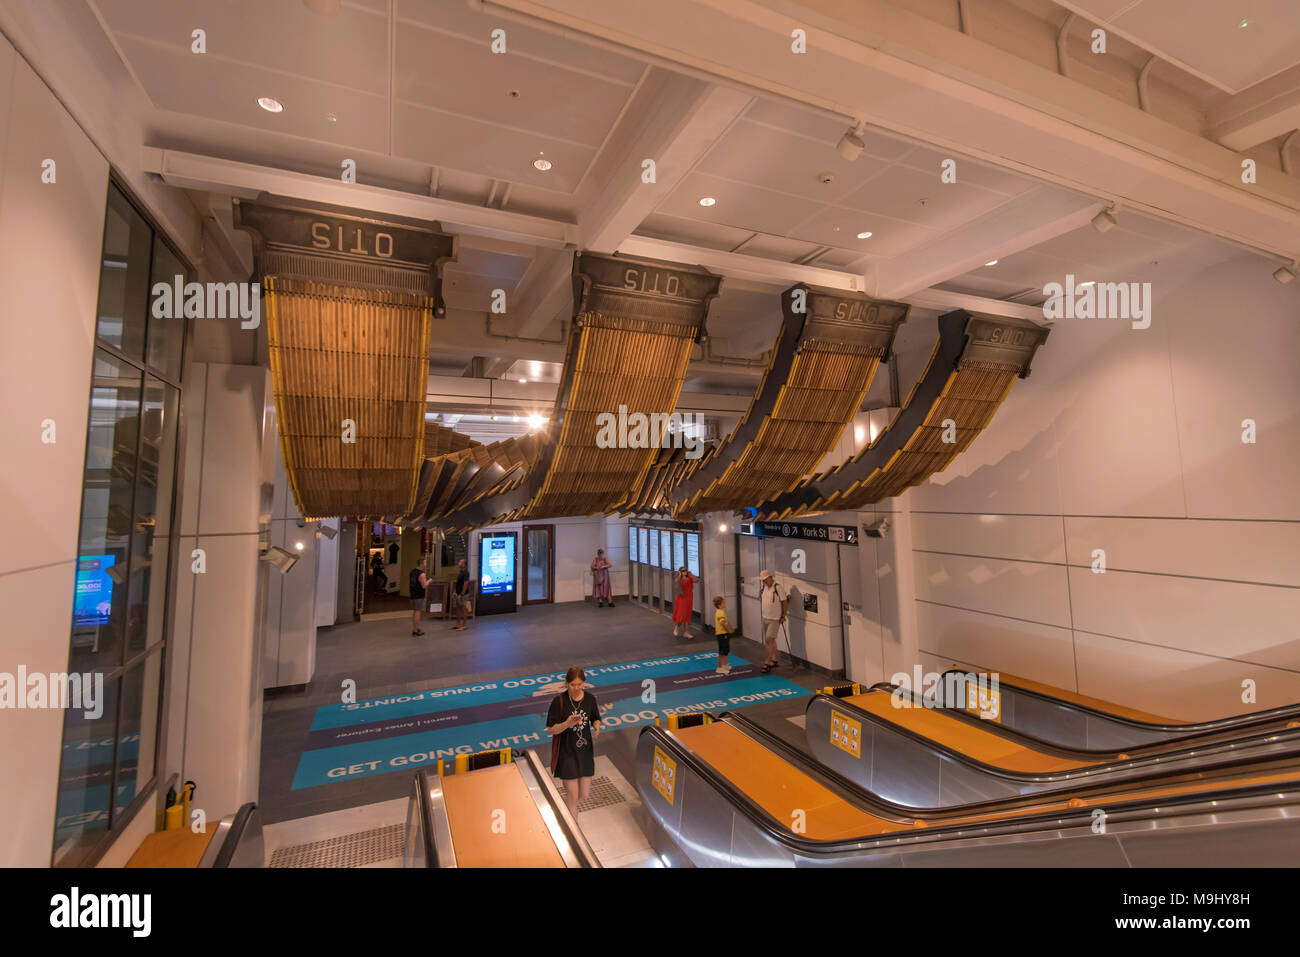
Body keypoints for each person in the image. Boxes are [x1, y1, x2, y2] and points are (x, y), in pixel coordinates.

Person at [545, 666, 600, 816]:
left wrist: (597, 727)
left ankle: (560, 807)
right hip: (567, 754)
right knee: (573, 798)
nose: (576, 688)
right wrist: (567, 724)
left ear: (584, 683)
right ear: (566, 683)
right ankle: (573, 831)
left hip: (585, 753)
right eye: (572, 685)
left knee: (584, 795)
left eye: (579, 684)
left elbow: (595, 717)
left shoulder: (590, 699)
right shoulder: (559, 702)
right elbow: (551, 729)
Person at [758, 569, 788, 674]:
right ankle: (774, 659)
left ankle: (767, 662)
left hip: (775, 619)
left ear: (770, 578)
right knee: (771, 640)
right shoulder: (765, 587)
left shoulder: (778, 588)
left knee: (768, 640)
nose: (764, 582)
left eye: (765, 580)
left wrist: (783, 616)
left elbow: (784, 602)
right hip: (765, 617)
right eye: (763, 580)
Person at [671, 566, 697, 638]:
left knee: (687, 615)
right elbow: (676, 582)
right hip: (682, 598)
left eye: (685, 570)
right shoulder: (679, 579)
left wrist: (691, 575)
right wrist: (679, 575)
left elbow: (696, 580)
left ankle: (686, 632)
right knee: (681, 614)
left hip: (689, 598)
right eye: (682, 571)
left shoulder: (689, 578)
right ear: (680, 572)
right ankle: (677, 627)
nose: (685, 571)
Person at [713, 595, 734, 675]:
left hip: (724, 634)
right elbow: (722, 623)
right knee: (722, 651)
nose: (725, 604)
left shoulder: (721, 612)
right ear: (719, 605)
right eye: (723, 603)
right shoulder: (720, 612)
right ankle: (719, 667)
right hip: (722, 634)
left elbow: (725, 622)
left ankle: (725, 665)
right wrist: (729, 630)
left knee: (725, 650)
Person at [409, 558, 429, 637]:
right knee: (418, 612)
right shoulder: (422, 574)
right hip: (419, 595)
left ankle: (415, 627)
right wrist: (429, 581)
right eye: (425, 563)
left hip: (413, 594)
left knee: (415, 612)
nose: (426, 564)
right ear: (421, 564)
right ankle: (415, 631)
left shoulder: (412, 572)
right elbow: (424, 586)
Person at [452, 558, 470, 632]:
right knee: (458, 608)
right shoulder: (461, 572)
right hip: (458, 593)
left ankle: (464, 625)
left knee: (463, 608)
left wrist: (462, 593)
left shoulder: (466, 573)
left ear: (464, 564)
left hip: (463, 594)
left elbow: (466, 583)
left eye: (460, 562)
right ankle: (458, 623)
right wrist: (455, 592)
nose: (459, 562)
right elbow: (458, 583)